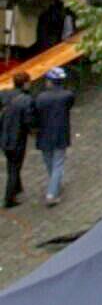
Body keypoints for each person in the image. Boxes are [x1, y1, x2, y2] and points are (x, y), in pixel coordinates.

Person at [32, 67, 73, 206]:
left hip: (44, 134)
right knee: (58, 163)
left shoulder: (40, 97)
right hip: (61, 134)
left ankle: (53, 188)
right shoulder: (67, 96)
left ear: (50, 82)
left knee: (49, 163)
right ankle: (52, 190)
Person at [0, 73, 32, 208]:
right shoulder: (26, 100)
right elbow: (28, 120)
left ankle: (17, 187)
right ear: (25, 83)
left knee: (11, 164)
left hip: (4, 136)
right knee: (14, 168)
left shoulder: (4, 94)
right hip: (17, 139)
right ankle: (9, 198)